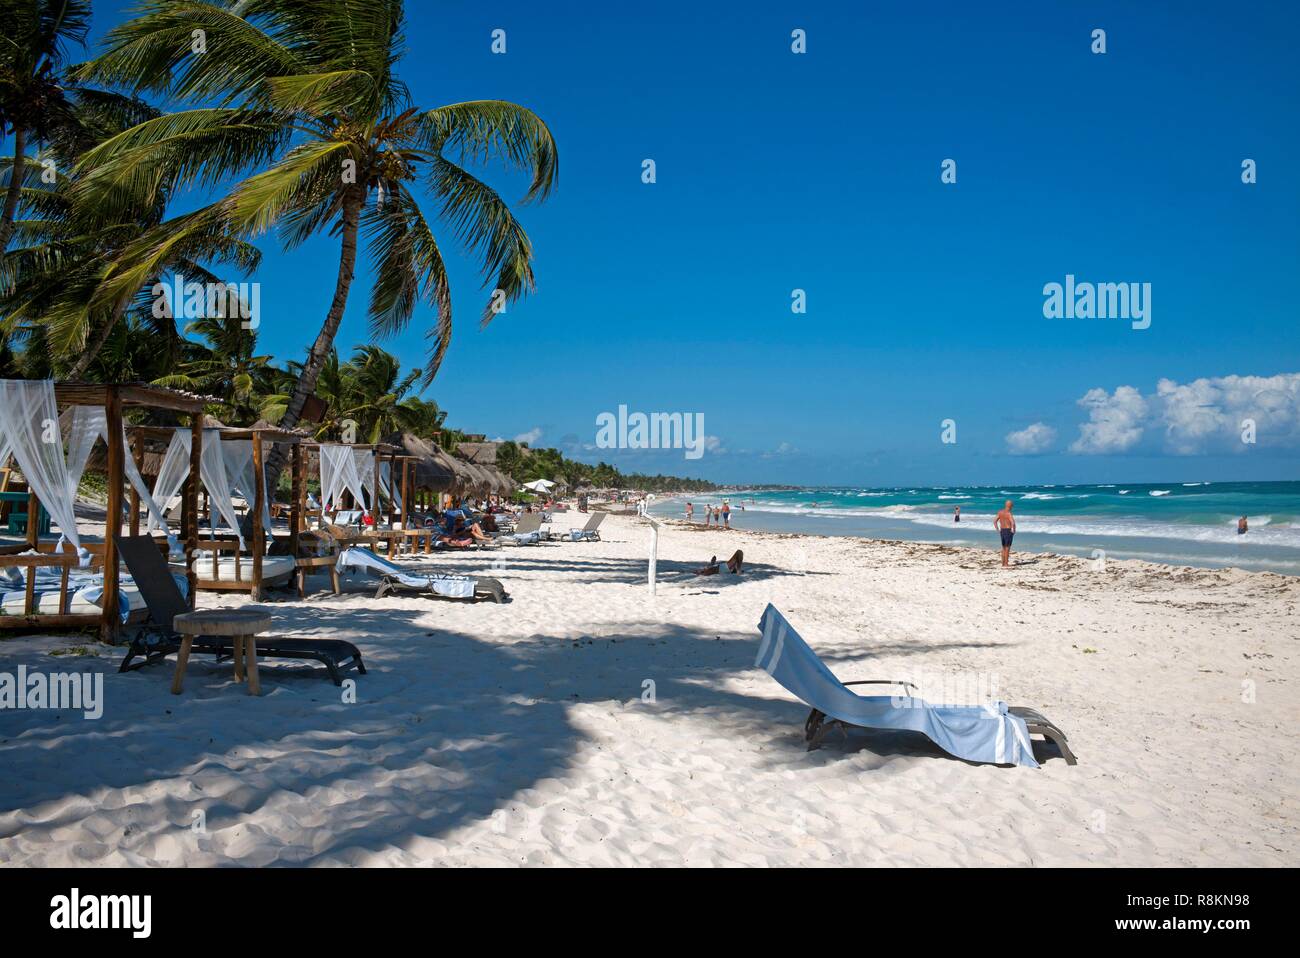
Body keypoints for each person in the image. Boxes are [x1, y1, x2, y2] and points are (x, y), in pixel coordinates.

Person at [994, 500, 1015, 567]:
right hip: (1008, 531)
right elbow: (1013, 523)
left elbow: (994, 521)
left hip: (1002, 530)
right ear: (1010, 506)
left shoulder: (1000, 512)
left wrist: (997, 529)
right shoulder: (1009, 513)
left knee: (1003, 547)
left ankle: (1003, 563)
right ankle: (1006, 564)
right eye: (1012, 505)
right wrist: (1014, 530)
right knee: (1007, 548)